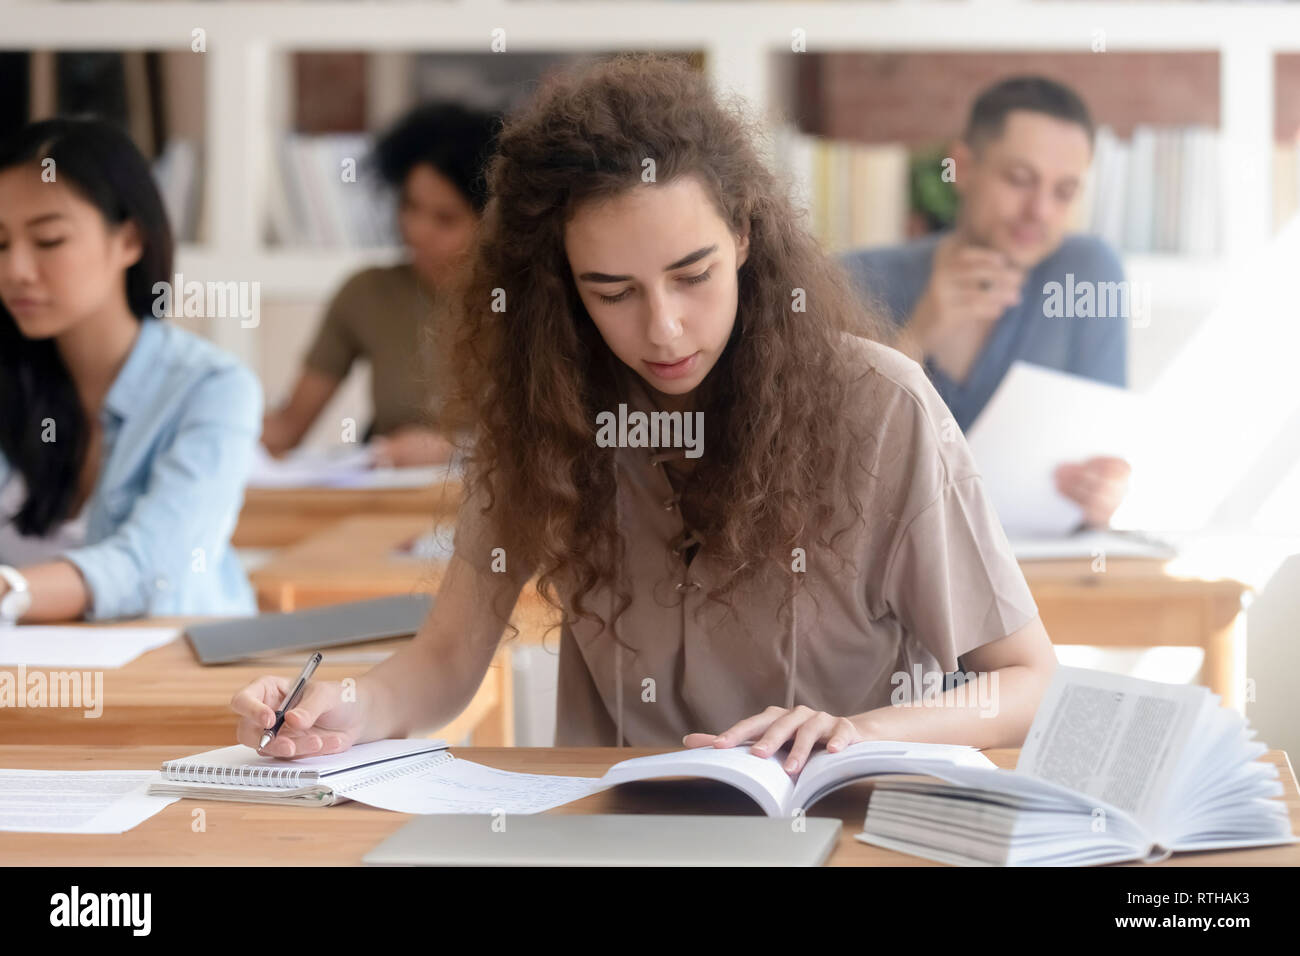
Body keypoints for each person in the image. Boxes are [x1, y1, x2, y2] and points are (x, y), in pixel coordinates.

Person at [232, 54, 1057, 771]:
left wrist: (856, 732)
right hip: (609, 833)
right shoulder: (543, 410)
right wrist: (332, 713)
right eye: (612, 291)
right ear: (563, 284)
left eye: (692, 275)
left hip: (830, 828)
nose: (662, 328)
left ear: (742, 234)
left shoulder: (881, 409)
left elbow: (1027, 679)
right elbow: (446, 661)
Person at [0, 118, 261, 623]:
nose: (16, 271)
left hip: (172, 681)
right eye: (0, 244)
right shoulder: (11, 380)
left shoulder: (213, 388)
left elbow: (150, 568)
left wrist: (12, 589)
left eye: (49, 240)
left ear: (130, 240)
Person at [842, 76, 1131, 529]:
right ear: (962, 168)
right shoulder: (856, 280)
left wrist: (1107, 492)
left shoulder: (1086, 275)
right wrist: (917, 336)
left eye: (1065, 191)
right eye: (1019, 179)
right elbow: (832, 465)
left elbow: (1110, 457)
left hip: (1042, 576)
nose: (1041, 211)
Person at [260, 102, 498, 467]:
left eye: (445, 219)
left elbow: (567, 440)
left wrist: (456, 448)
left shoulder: (528, 299)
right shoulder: (366, 294)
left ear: (491, 224)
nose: (417, 229)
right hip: (386, 503)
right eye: (410, 206)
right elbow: (287, 429)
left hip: (501, 507)